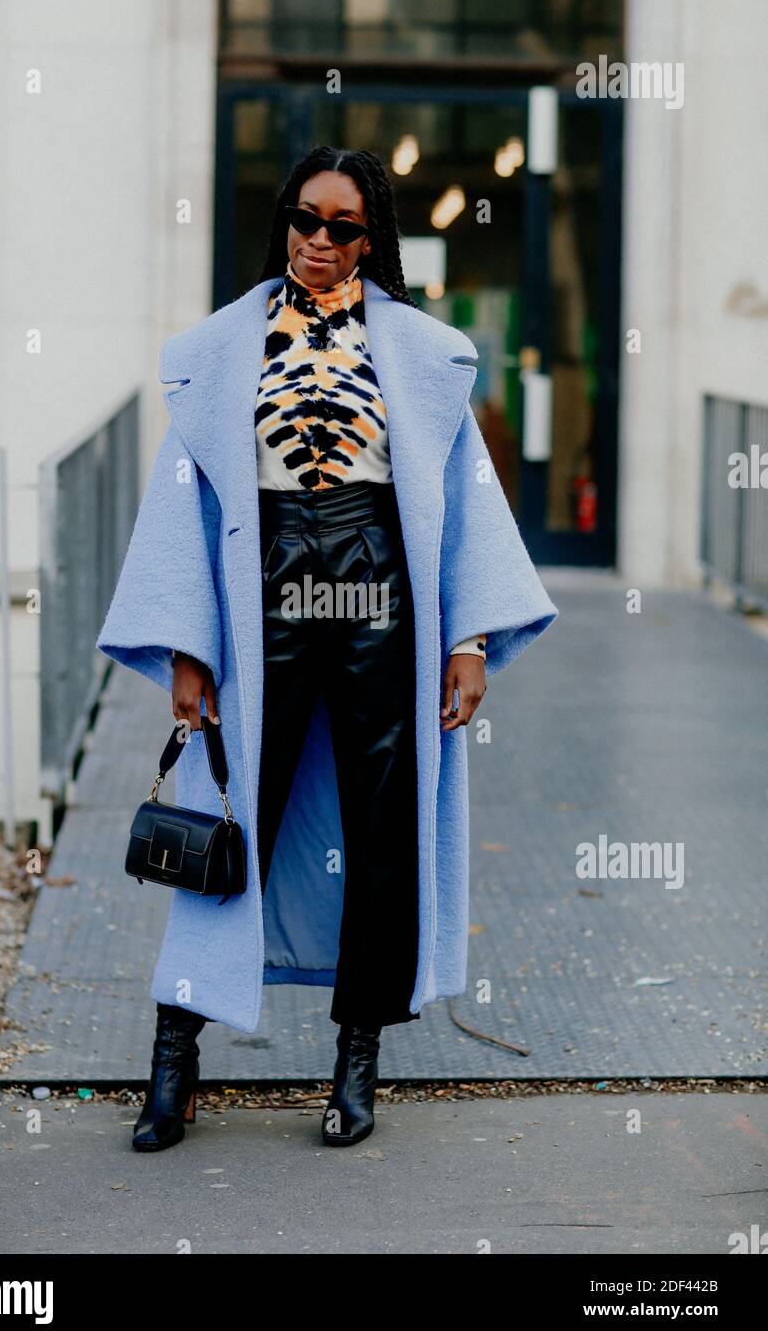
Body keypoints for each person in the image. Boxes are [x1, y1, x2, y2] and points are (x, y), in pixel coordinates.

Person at [97, 145, 557, 1154]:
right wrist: (187, 648)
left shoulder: (419, 354)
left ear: (369, 235)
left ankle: (356, 1060)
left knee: (382, 825)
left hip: (377, 598)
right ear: (285, 222)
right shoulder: (225, 348)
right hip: (262, 593)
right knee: (230, 821)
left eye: (342, 225)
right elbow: (187, 501)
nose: (317, 240)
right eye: (304, 219)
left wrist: (467, 640)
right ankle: (174, 1056)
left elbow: (463, 504)